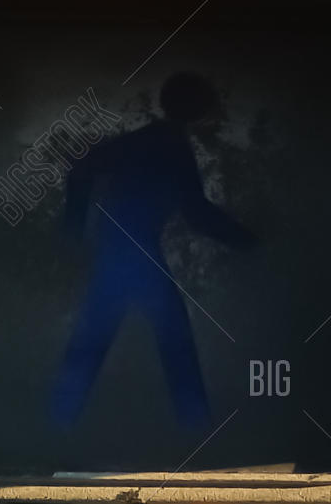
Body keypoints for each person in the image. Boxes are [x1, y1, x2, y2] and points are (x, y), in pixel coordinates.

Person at [50, 72, 255, 428]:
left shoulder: (144, 141)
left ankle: (55, 427)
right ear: (197, 109)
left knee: (95, 343)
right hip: (136, 255)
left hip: (120, 252)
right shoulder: (171, 146)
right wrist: (247, 240)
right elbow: (195, 212)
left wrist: (74, 227)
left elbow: (81, 169)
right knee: (174, 344)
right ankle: (197, 432)